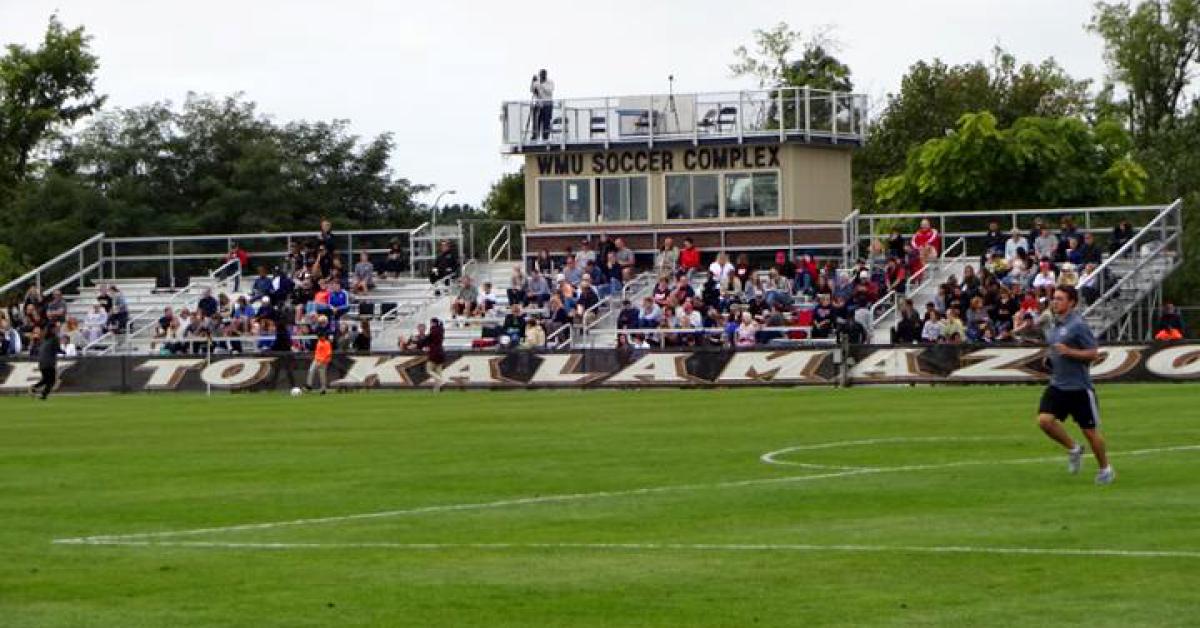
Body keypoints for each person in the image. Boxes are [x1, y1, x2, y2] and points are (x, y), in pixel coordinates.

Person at [1036, 285, 1114, 485]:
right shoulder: (1054, 325)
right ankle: (1074, 449)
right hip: (1058, 385)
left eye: (1060, 299)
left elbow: (1093, 353)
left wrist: (1070, 352)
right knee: (1044, 421)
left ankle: (1105, 469)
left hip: (1079, 388)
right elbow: (1055, 349)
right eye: (1054, 298)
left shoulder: (1078, 325)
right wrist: (1050, 358)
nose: (1055, 302)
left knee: (1090, 432)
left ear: (1071, 302)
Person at [30, 321, 61, 400]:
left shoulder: (44, 338)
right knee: (52, 380)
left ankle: (34, 388)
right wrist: (64, 352)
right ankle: (43, 394)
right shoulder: (55, 338)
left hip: (41, 362)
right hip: (49, 362)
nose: (57, 329)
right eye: (55, 327)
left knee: (46, 379)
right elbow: (57, 349)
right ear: (53, 329)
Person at [420, 317, 447, 392]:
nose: (430, 324)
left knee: (429, 370)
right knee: (438, 372)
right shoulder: (441, 330)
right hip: (441, 352)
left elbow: (427, 339)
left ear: (433, 323)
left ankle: (442, 381)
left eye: (431, 322)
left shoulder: (433, 330)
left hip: (434, 353)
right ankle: (437, 389)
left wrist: (419, 344)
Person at [307, 330, 332, 395]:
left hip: (323, 362)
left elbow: (328, 354)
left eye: (321, 337)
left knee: (322, 375)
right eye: (320, 337)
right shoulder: (319, 342)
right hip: (316, 360)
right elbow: (317, 352)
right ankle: (309, 385)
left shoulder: (327, 343)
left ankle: (323, 389)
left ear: (324, 336)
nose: (321, 338)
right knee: (311, 370)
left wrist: (322, 361)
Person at [534, 69, 554, 141]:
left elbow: (549, 91)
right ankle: (535, 136)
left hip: (548, 104)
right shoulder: (536, 83)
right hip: (539, 105)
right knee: (537, 121)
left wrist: (541, 85)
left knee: (546, 121)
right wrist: (532, 82)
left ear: (545, 75)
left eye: (543, 75)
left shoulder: (550, 82)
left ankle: (545, 137)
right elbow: (533, 91)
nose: (542, 76)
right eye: (540, 75)